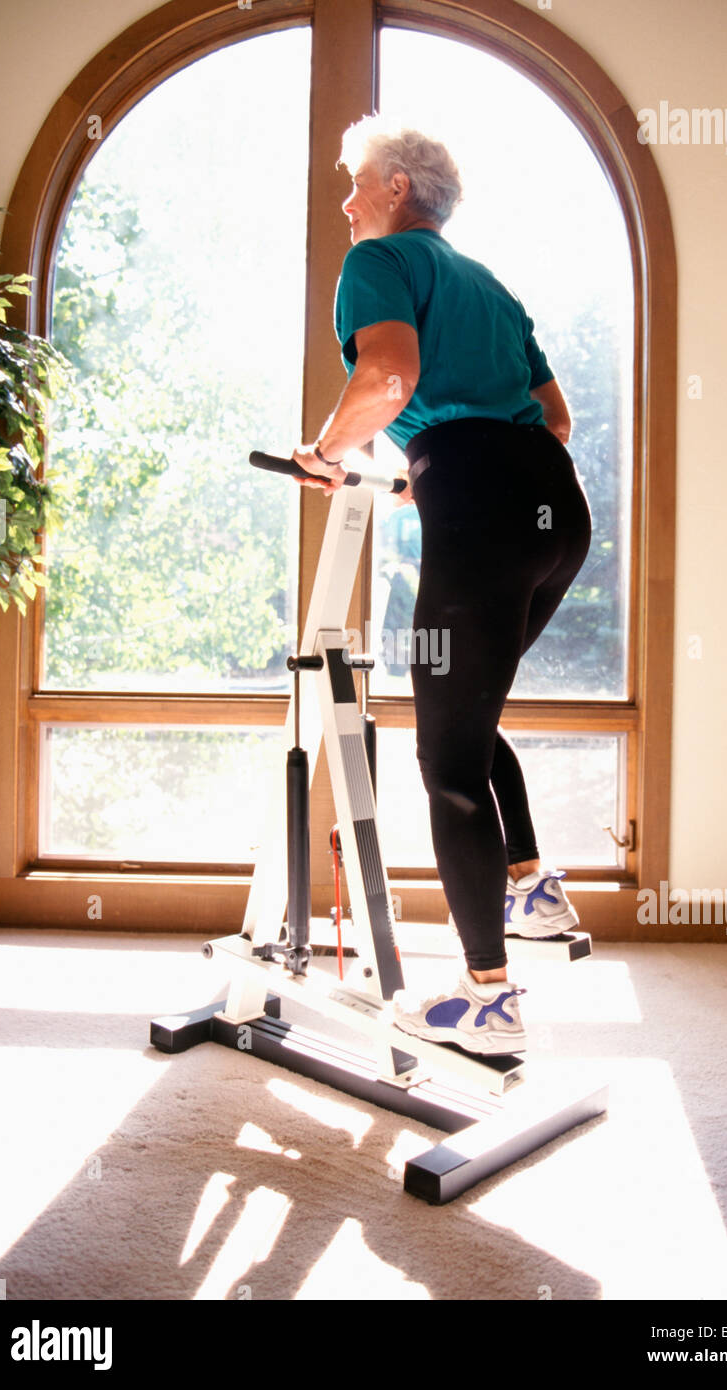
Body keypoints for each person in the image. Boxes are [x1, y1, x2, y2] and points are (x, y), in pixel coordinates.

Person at [291, 117, 591, 1056]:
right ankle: (531, 882)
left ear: (393, 189)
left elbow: (386, 374)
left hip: (480, 513)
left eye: (354, 185)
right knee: (466, 711)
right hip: (556, 514)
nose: (346, 203)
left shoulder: (379, 261)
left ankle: (487, 1000)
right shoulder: (488, 283)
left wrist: (326, 452)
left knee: (446, 764)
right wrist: (453, 460)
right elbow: (555, 418)